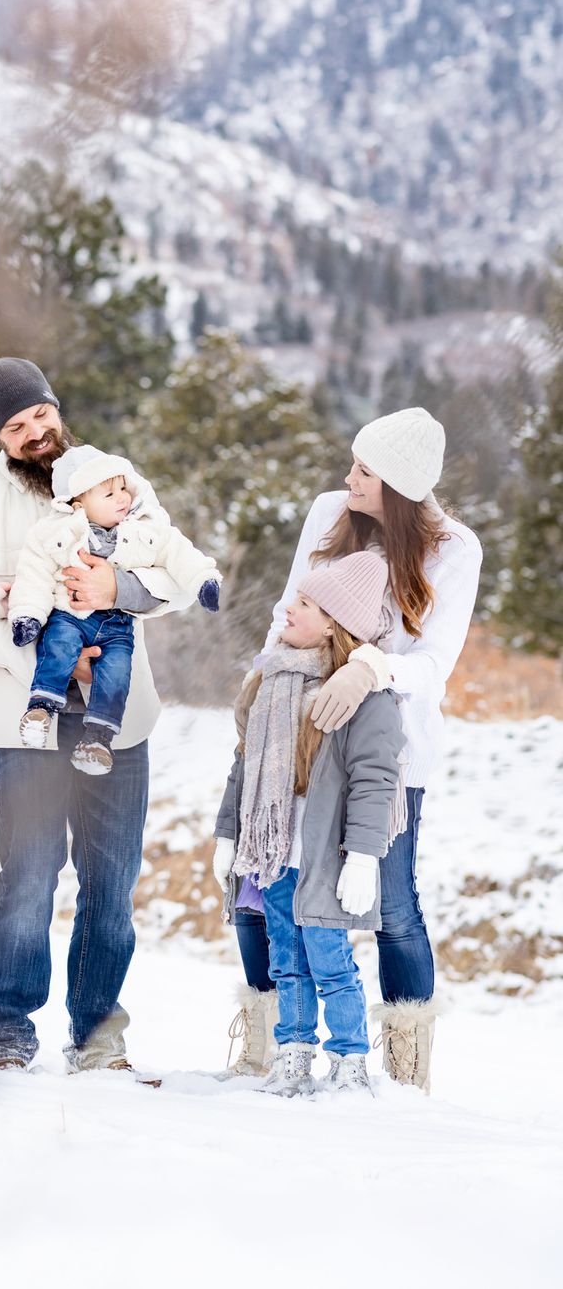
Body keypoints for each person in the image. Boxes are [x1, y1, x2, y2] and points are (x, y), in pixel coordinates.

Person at [0, 357, 195, 1077]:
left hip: (119, 719)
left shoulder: (115, 479)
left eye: (39, 414)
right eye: (15, 426)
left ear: (56, 405)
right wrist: (56, 660)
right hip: (28, 722)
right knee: (28, 875)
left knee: (110, 886)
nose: (34, 432)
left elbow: (173, 575)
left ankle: (96, 1034)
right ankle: (8, 1027)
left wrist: (121, 584)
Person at [215, 407, 481, 1091]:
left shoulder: (454, 549)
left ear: (396, 483)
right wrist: (263, 702)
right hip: (297, 739)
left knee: (392, 905)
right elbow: (288, 612)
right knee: (260, 889)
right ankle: (275, 1043)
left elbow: (433, 665)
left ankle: (405, 1066)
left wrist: (369, 667)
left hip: (384, 752)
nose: (348, 475)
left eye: (363, 469)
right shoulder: (332, 512)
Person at [214, 552, 402, 1096]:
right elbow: (244, 764)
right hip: (273, 857)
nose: (286, 608)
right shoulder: (267, 681)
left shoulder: (366, 698)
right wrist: (228, 832)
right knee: (287, 962)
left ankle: (350, 1060)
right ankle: (293, 1052)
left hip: (327, 858)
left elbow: (375, 781)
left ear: (332, 623)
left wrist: (365, 854)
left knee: (331, 963)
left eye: (303, 602)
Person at [10, 444, 221, 774]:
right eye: (109, 494)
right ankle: (41, 707)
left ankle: (98, 738)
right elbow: (33, 575)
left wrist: (204, 579)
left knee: (116, 674)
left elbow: (180, 553)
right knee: (59, 647)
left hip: (117, 625)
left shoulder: (145, 528)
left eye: (123, 487)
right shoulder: (55, 532)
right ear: (78, 504)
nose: (122, 497)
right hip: (70, 615)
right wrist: (28, 616)